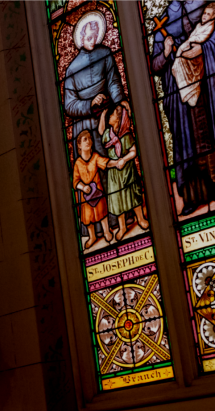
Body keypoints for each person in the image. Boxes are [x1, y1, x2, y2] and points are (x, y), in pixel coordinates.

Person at [150, 0, 215, 215]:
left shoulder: (207, 5)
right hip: (180, 96)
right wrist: (166, 52)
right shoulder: (163, 22)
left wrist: (202, 49)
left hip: (209, 85)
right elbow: (155, 66)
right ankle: (195, 195)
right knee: (188, 144)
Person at [64, 10, 131, 157]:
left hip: (107, 115)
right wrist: (90, 103)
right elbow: (69, 106)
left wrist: (120, 99)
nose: (93, 41)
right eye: (89, 37)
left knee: (112, 156)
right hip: (84, 124)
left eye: (95, 36)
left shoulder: (105, 53)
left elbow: (113, 80)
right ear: (81, 37)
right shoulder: (71, 70)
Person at [100, 104, 149, 240]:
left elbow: (133, 152)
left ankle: (140, 218)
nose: (110, 117)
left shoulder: (126, 136)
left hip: (127, 171)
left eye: (112, 115)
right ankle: (122, 227)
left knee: (133, 195)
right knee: (117, 200)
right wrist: (103, 115)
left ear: (118, 119)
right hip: (114, 175)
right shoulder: (107, 135)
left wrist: (124, 160)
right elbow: (100, 131)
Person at [171, 2, 215, 107]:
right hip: (190, 49)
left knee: (179, 64)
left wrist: (191, 44)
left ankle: (191, 92)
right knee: (176, 66)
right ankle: (188, 92)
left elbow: (201, 39)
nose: (205, 16)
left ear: (213, 16)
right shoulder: (199, 25)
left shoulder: (210, 26)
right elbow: (191, 38)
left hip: (197, 57)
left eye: (208, 14)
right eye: (204, 13)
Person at [72, 130, 112, 249]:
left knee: (102, 212)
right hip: (86, 196)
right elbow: (75, 181)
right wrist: (83, 187)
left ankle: (106, 231)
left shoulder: (95, 156)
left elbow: (105, 163)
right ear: (79, 145)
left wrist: (117, 162)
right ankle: (92, 236)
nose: (88, 141)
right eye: (85, 140)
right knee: (88, 217)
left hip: (97, 191)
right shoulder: (77, 164)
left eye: (89, 138)